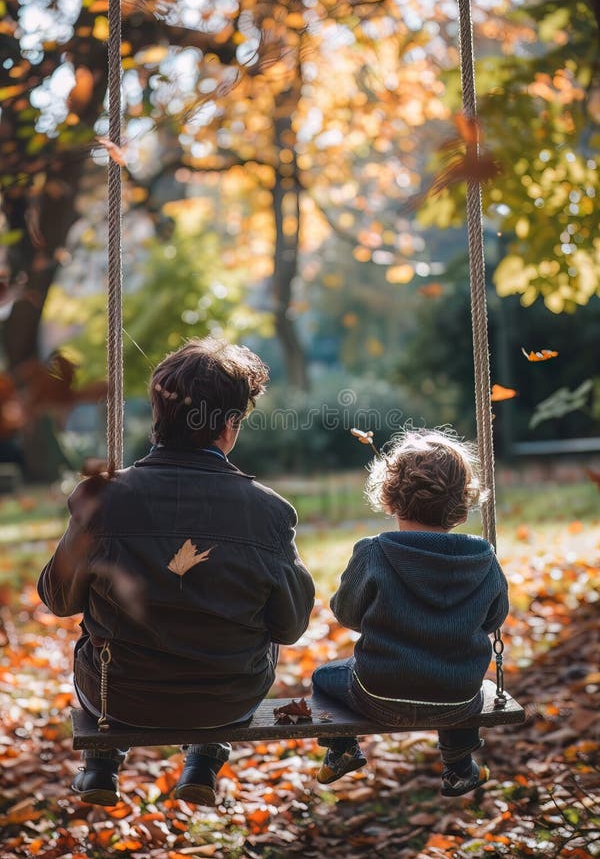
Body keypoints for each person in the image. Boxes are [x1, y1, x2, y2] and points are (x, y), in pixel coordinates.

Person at [37, 338, 315, 807]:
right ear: (229, 426)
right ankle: (205, 755)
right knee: (251, 629)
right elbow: (290, 626)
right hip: (227, 698)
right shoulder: (269, 513)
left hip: (119, 695)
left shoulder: (101, 499)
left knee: (102, 634)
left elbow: (59, 600)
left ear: (157, 418)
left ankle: (102, 763)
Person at [312, 428, 508, 797]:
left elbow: (347, 614)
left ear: (390, 498)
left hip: (378, 695)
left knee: (324, 677)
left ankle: (342, 748)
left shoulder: (373, 552)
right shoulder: (483, 557)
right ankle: (458, 767)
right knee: (461, 681)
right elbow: (495, 618)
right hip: (457, 702)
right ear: (461, 503)